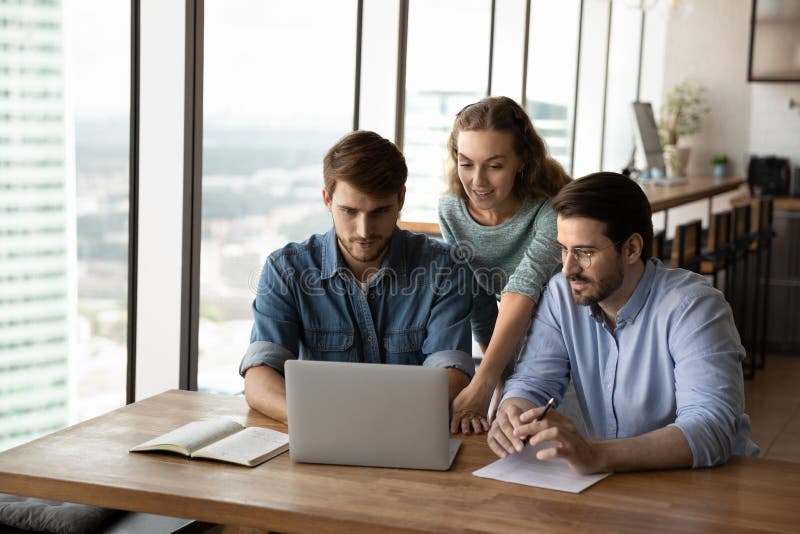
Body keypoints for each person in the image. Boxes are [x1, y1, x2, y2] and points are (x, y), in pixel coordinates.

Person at [488, 172, 759, 473]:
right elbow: (533, 382)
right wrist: (514, 410)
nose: (567, 269)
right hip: (619, 479)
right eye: (563, 249)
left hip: (714, 480)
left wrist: (596, 454)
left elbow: (711, 427)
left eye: (584, 252)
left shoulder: (695, 307)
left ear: (631, 249)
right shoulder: (561, 296)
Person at [240, 130, 474, 423]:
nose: (364, 231)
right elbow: (259, 377)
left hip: (405, 434)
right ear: (327, 200)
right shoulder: (285, 270)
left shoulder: (445, 269)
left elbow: (451, 373)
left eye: (379, 212)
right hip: (321, 432)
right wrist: (324, 422)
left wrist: (370, 423)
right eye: (349, 211)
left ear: (401, 199)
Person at [438, 96, 571, 434]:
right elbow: (479, 300)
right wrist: (500, 378)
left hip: (569, 333)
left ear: (522, 160)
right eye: (466, 164)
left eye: (494, 166)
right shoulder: (451, 210)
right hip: (513, 338)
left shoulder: (550, 210)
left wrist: (483, 383)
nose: (478, 181)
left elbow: (521, 290)